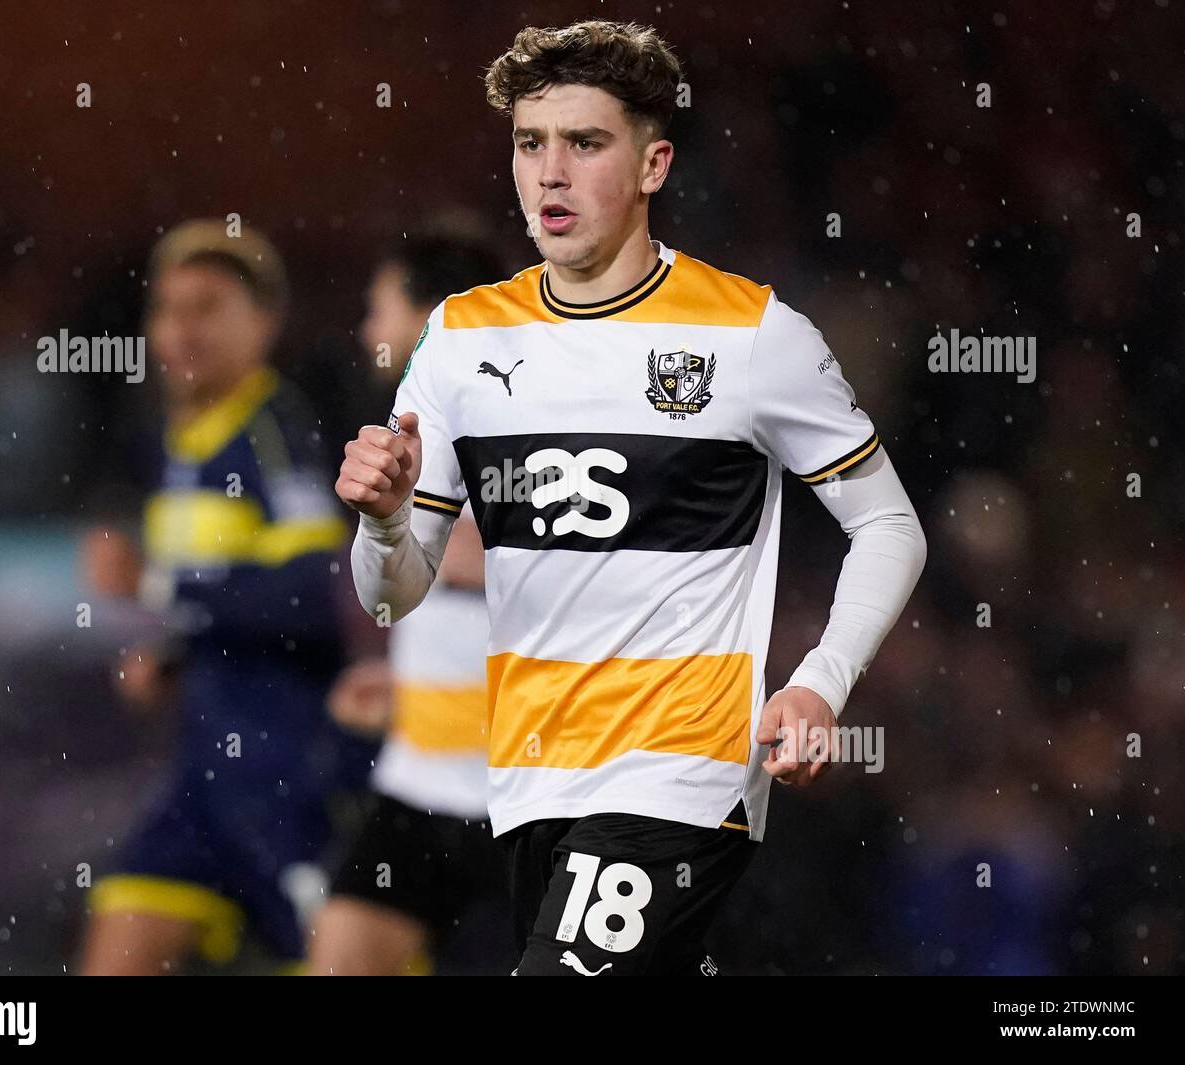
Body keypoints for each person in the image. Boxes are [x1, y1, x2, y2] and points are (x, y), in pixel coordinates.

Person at [336, 20, 927, 975]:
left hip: (683, 773)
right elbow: (391, 592)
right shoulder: (459, 341)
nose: (549, 174)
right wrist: (384, 519)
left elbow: (889, 523)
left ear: (653, 163)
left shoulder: (751, 333)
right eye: (531, 143)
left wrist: (821, 680)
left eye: (585, 142)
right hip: (527, 777)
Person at [77, 219, 376, 974]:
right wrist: (172, 654)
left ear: (264, 323)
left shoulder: (272, 432)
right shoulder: (171, 443)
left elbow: (315, 597)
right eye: (168, 307)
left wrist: (155, 583)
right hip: (203, 780)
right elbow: (234, 598)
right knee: (119, 946)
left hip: (288, 780)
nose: (181, 327)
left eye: (208, 305)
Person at [310, 232, 514, 975]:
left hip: (536, 797)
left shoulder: (542, 419)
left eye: (380, 307)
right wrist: (410, 691)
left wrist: (458, 552)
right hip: (418, 784)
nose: (369, 330)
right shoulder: (410, 426)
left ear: (435, 313)